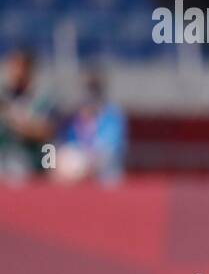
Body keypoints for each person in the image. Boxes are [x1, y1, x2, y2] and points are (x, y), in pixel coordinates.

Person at [54, 69, 127, 184]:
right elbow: (61, 145)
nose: (90, 94)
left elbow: (111, 150)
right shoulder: (73, 118)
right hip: (74, 180)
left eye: (94, 88)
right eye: (87, 88)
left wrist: (88, 164)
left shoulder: (112, 115)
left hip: (104, 178)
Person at [0, 48, 56, 181]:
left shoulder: (42, 100)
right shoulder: (4, 96)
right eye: (12, 67)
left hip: (30, 161)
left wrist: (12, 120)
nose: (16, 73)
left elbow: (46, 132)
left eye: (20, 67)